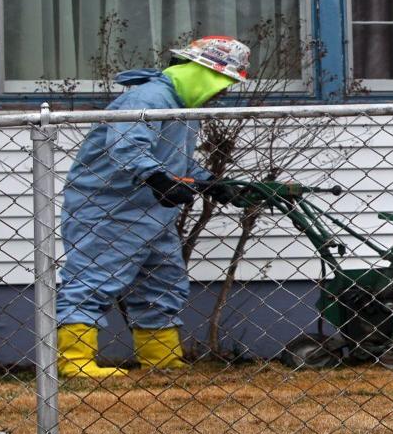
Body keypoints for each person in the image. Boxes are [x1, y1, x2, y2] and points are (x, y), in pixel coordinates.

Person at [55, 36, 250, 378]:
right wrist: (158, 179)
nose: (224, 92)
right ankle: (75, 363)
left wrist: (212, 184)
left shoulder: (182, 108)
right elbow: (128, 147)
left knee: (162, 283)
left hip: (152, 213)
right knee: (95, 278)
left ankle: (161, 361)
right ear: (204, 73)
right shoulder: (149, 98)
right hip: (110, 209)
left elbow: (177, 161)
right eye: (225, 83)